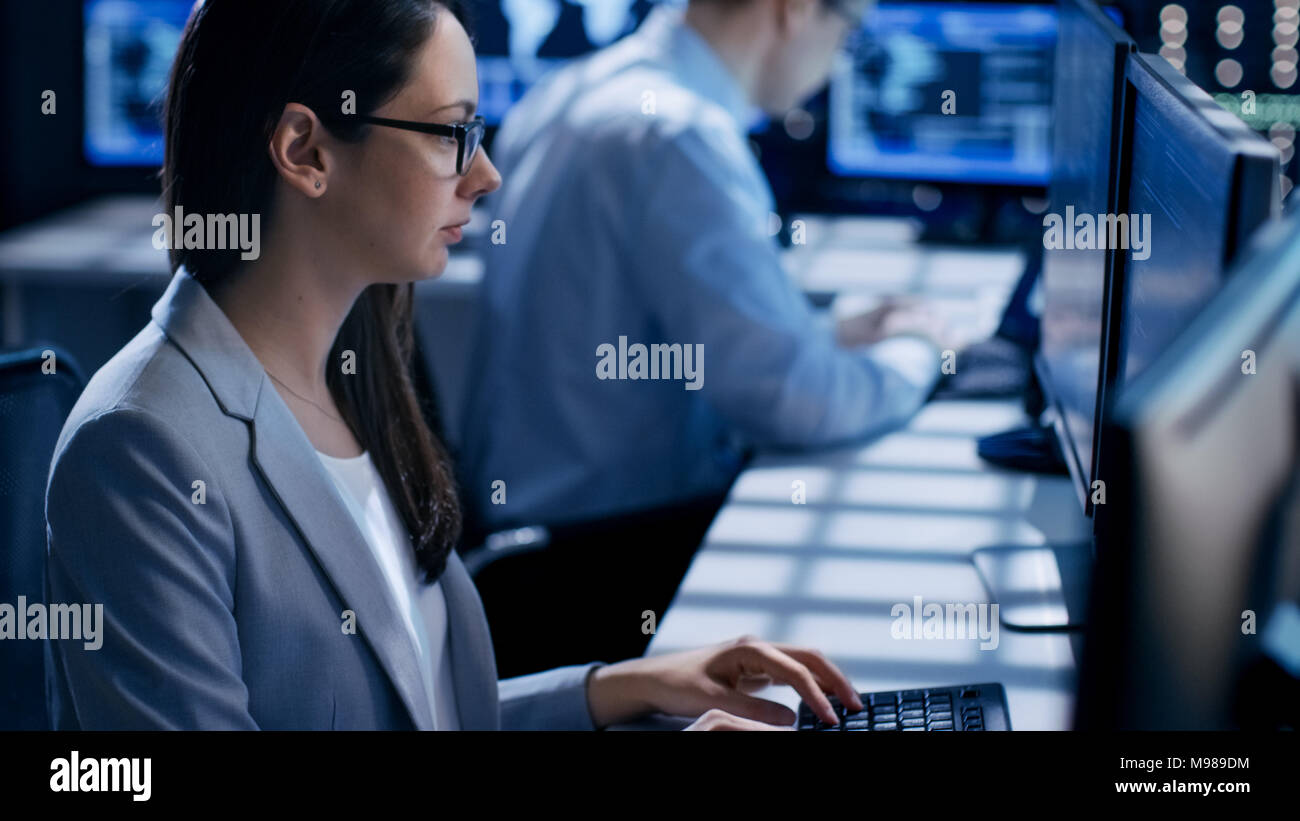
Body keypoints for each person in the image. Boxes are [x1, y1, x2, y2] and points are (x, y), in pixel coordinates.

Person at [43, 0, 863, 731]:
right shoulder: (140, 449)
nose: (486, 175)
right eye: (450, 133)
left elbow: (411, 710)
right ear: (305, 149)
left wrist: (620, 687)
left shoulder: (351, 380)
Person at [460, 0, 945, 672]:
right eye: (849, 30)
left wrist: (824, 330)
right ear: (795, 10)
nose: (839, 61)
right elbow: (796, 401)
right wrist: (924, 349)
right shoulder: (678, 134)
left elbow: (620, 316)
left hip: (534, 549)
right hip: (606, 568)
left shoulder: (576, 91)